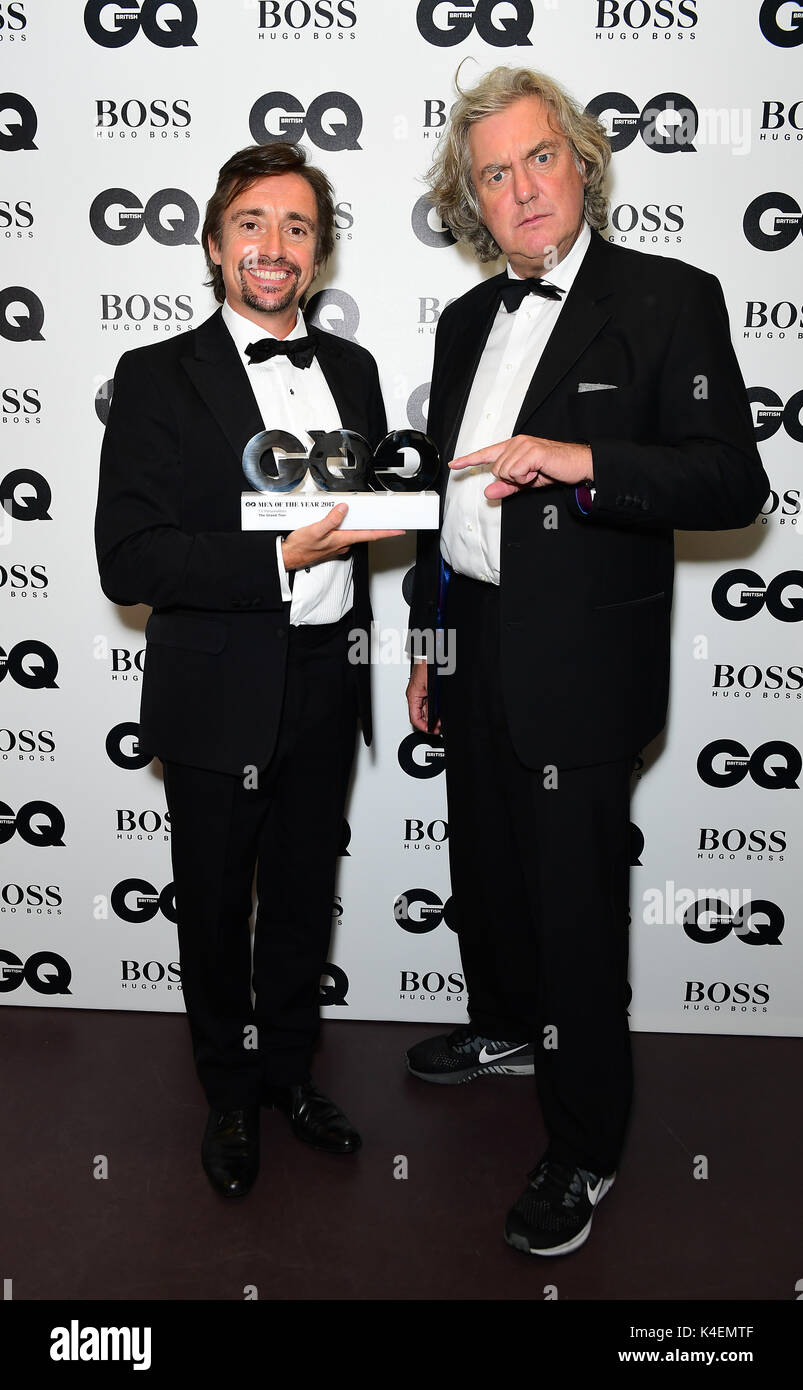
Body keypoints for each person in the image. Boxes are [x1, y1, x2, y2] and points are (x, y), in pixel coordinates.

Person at [405, 67, 769, 1257]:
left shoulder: (667, 299)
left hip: (582, 660)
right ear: (472, 200)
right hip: (472, 641)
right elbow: (438, 512)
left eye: (536, 159)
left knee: (573, 916)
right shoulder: (464, 323)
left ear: (581, 161)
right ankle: (504, 1023)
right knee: (488, 873)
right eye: (492, 174)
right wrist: (425, 641)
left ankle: (584, 1146)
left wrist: (583, 460)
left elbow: (728, 480)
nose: (520, 189)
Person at [96, 142, 400, 1199]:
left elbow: (367, 523)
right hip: (219, 680)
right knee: (219, 902)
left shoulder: (354, 373)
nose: (273, 248)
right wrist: (274, 556)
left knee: (304, 897)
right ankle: (226, 1091)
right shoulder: (153, 376)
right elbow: (127, 557)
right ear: (216, 243)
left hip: (326, 674)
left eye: (298, 228)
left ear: (318, 255)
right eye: (253, 225)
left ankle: (287, 1075)